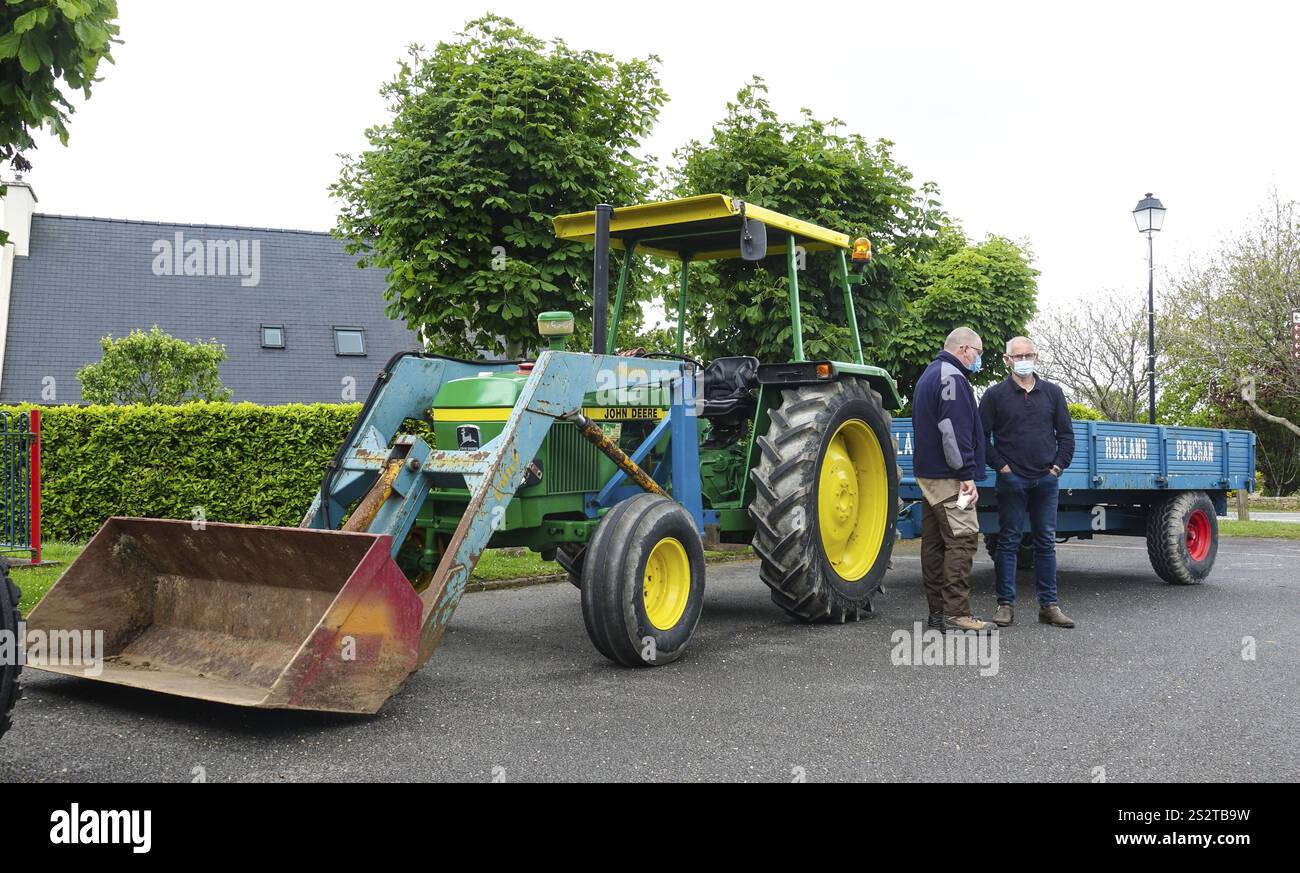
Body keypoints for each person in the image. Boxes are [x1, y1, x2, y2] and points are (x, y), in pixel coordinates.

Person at [978, 336, 1076, 628]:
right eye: (1017, 355)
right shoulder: (994, 396)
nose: (1023, 360)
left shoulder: (1053, 393)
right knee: (1008, 542)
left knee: (1046, 543)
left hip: (1046, 480)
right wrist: (1002, 467)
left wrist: (1056, 468)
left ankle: (1049, 606)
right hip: (1012, 481)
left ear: (1036, 357)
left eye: (1028, 354)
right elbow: (981, 438)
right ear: (1007, 360)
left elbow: (1066, 436)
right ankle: (1005, 605)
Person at [912, 327, 994, 633]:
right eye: (978, 352)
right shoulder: (954, 379)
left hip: (929, 473)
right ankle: (957, 614)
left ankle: (937, 614)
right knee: (962, 539)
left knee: (933, 544)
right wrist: (966, 475)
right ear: (963, 349)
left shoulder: (930, 375)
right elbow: (952, 431)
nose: (978, 359)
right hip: (948, 476)